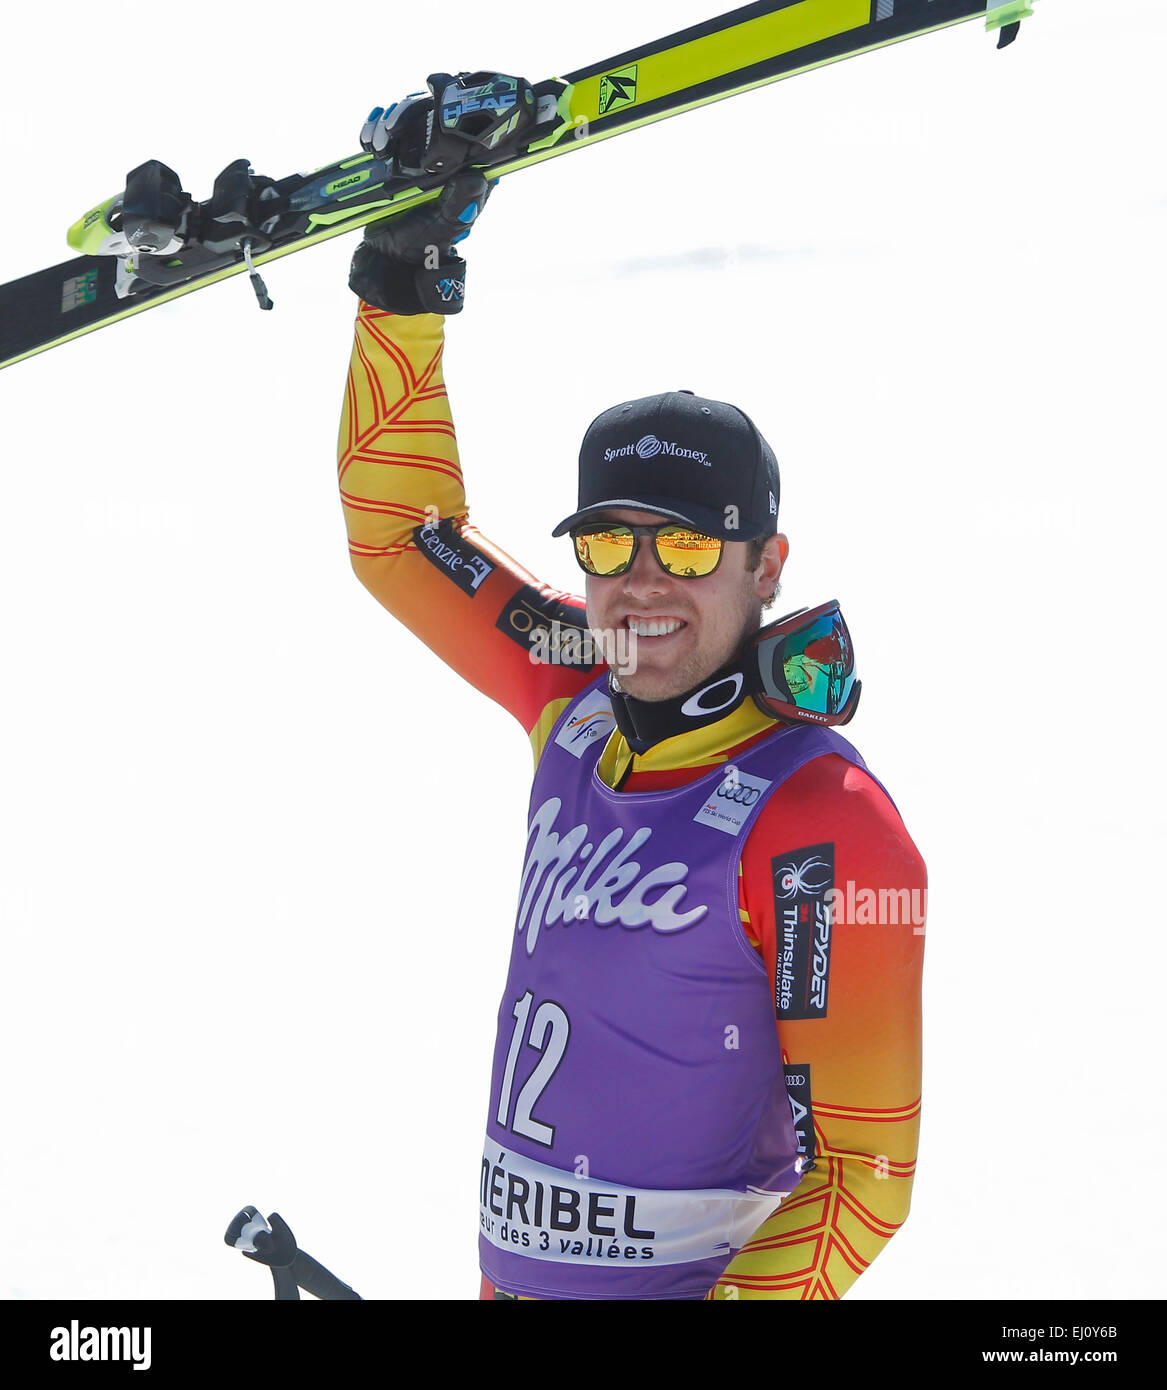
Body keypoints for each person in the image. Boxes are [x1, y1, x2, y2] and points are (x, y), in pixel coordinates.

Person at [338, 174, 926, 1301]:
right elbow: (397, 534)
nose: (644, 584)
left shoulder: (821, 820)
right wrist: (402, 285)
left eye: (692, 551)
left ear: (767, 565)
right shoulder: (573, 691)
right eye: (610, 547)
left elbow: (865, 1173)